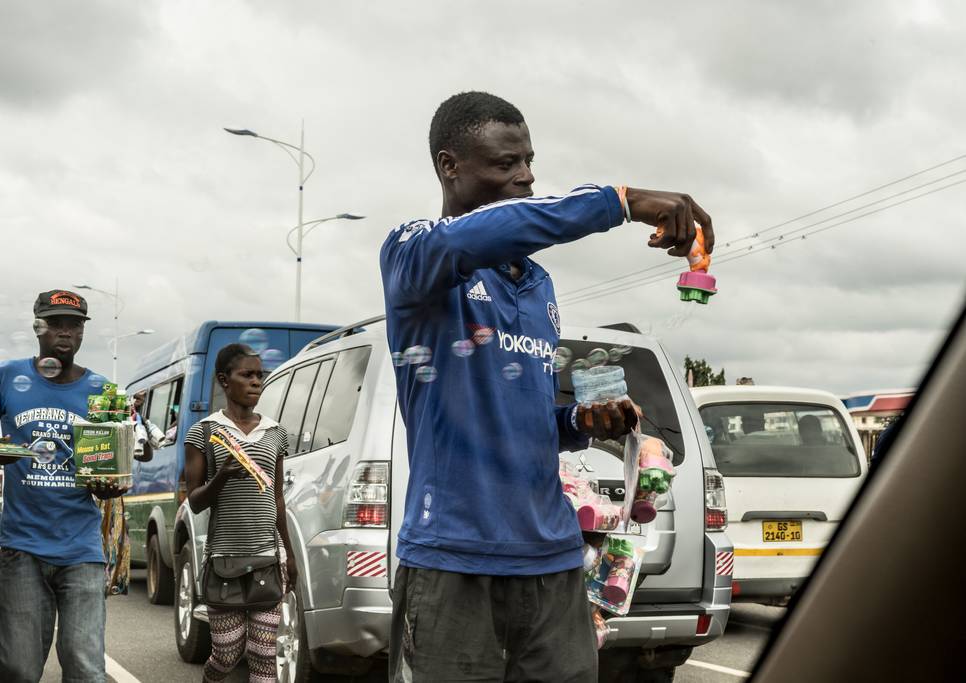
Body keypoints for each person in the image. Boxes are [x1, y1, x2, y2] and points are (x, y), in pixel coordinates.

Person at [380, 91, 714, 682]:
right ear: (448, 165)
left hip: (552, 563)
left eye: (529, 161)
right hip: (453, 560)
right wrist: (623, 202)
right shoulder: (414, 252)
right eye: (506, 164)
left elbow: (531, 420)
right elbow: (479, 235)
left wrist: (584, 424)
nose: (527, 177)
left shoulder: (538, 287)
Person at [0, 289, 127, 683]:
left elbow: (113, 466)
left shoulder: (103, 392)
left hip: (81, 548)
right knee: (18, 669)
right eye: (55, 323)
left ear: (83, 332)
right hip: (20, 547)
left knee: (85, 667)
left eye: (73, 324)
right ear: (38, 327)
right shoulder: (8, 376)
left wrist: (110, 486)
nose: (65, 332)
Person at [183, 343, 298, 683]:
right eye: (246, 375)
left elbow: (277, 498)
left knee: (265, 659)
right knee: (227, 655)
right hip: (224, 561)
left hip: (267, 558)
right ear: (223, 380)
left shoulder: (276, 433)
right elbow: (195, 501)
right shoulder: (204, 432)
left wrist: (289, 553)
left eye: (259, 375)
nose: (256, 382)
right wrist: (221, 477)